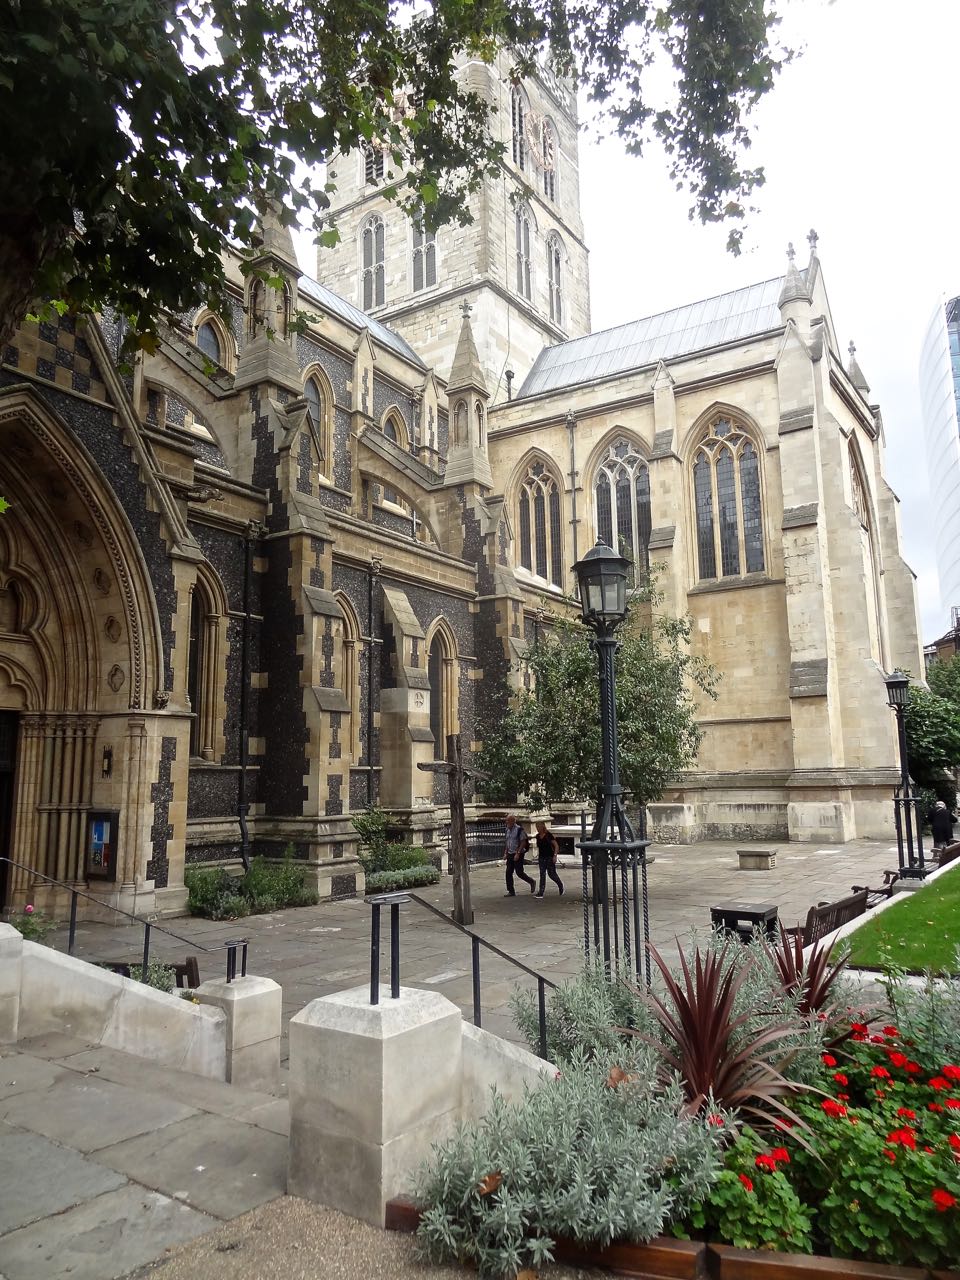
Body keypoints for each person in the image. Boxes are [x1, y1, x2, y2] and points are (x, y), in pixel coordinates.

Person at [503, 815, 535, 896]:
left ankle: (531, 881)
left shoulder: (519, 830)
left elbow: (523, 842)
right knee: (508, 872)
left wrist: (518, 853)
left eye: (508, 821)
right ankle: (511, 891)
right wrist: (506, 853)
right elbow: (507, 842)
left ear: (513, 822)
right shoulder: (507, 830)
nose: (507, 822)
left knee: (519, 872)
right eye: (506, 821)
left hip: (518, 853)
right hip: (510, 853)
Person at [534, 820, 564, 897]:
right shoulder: (537, 836)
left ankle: (560, 884)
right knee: (542, 874)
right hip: (541, 857)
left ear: (542, 827)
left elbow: (556, 846)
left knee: (552, 874)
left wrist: (555, 855)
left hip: (549, 856)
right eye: (536, 827)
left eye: (539, 827)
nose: (537, 828)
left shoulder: (548, 835)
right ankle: (541, 892)